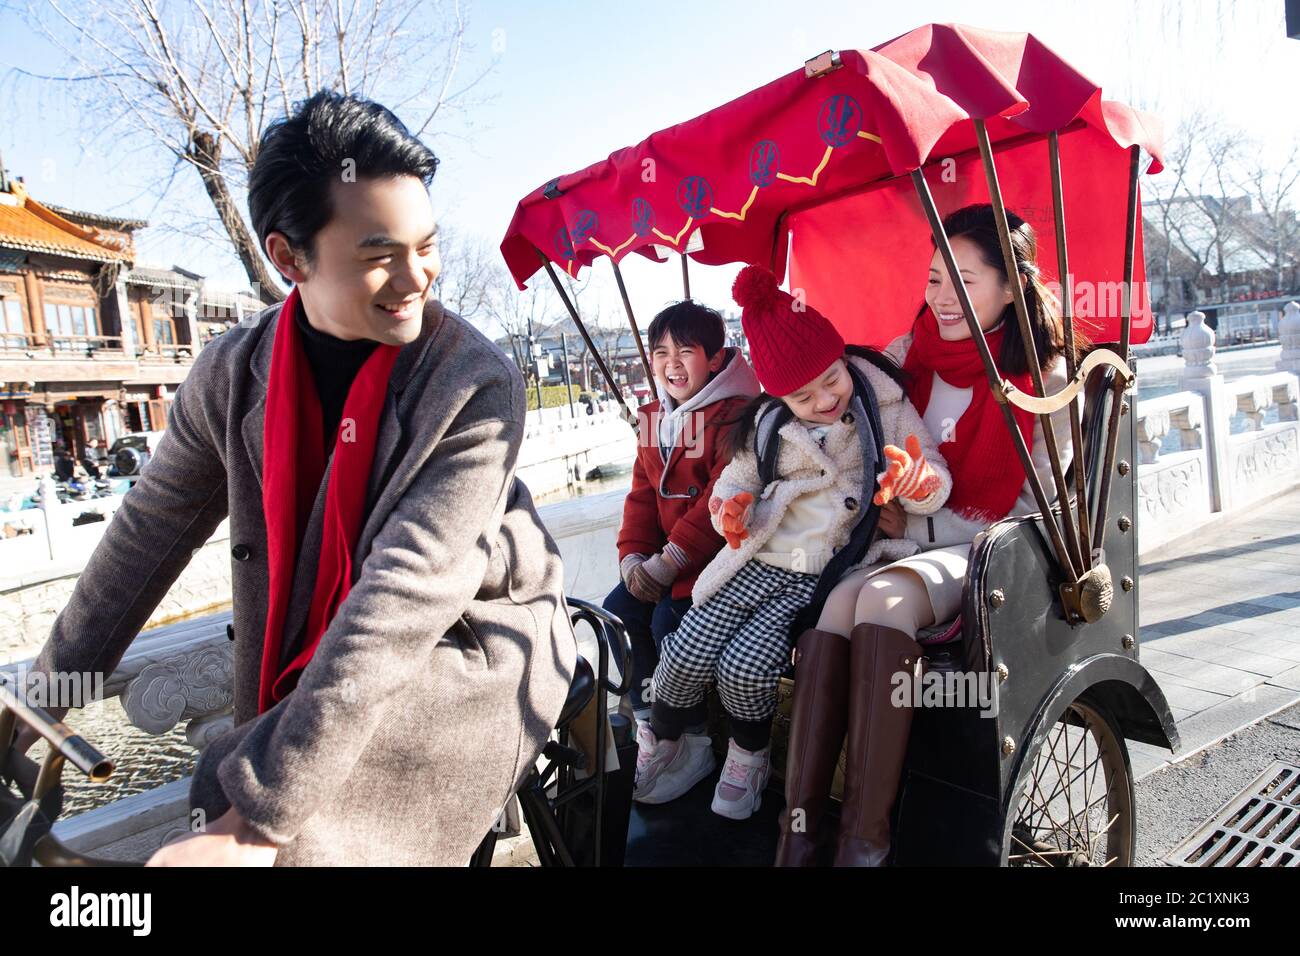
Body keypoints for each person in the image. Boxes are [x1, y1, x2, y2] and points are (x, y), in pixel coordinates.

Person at [10, 90, 577, 866]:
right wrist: (45, 698)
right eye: (380, 256)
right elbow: (147, 534)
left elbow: (406, 593)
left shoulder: (472, 381)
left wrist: (260, 819)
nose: (416, 279)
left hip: (468, 638)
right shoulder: (232, 376)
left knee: (302, 828)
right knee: (244, 787)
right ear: (287, 258)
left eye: (428, 246)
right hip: (333, 636)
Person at [777, 203, 1085, 867]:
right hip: (908, 545)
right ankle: (798, 833)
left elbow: (1037, 503)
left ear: (1011, 287)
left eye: (964, 283)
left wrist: (921, 518)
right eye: (935, 278)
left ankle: (864, 842)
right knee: (837, 605)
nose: (942, 299)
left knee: (881, 601)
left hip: (989, 550)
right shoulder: (905, 356)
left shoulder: (1045, 380)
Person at [633, 265, 951, 821]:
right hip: (759, 555)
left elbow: (933, 475)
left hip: (824, 568)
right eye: (803, 397)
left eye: (832, 379)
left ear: (842, 360)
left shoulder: (884, 402)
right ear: (781, 398)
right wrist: (728, 512)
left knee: (746, 665)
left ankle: (748, 755)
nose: (825, 400)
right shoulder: (767, 422)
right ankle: (666, 739)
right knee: (682, 649)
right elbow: (735, 481)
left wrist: (918, 482)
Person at [604, 300, 760, 751]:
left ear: (714, 358)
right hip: (665, 563)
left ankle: (692, 735)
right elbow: (641, 496)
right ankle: (652, 721)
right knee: (618, 613)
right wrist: (633, 556)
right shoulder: (654, 418)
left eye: (685, 351)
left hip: (718, 561)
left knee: (666, 624)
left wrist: (669, 562)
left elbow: (722, 499)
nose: (671, 364)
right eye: (660, 352)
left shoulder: (737, 414)